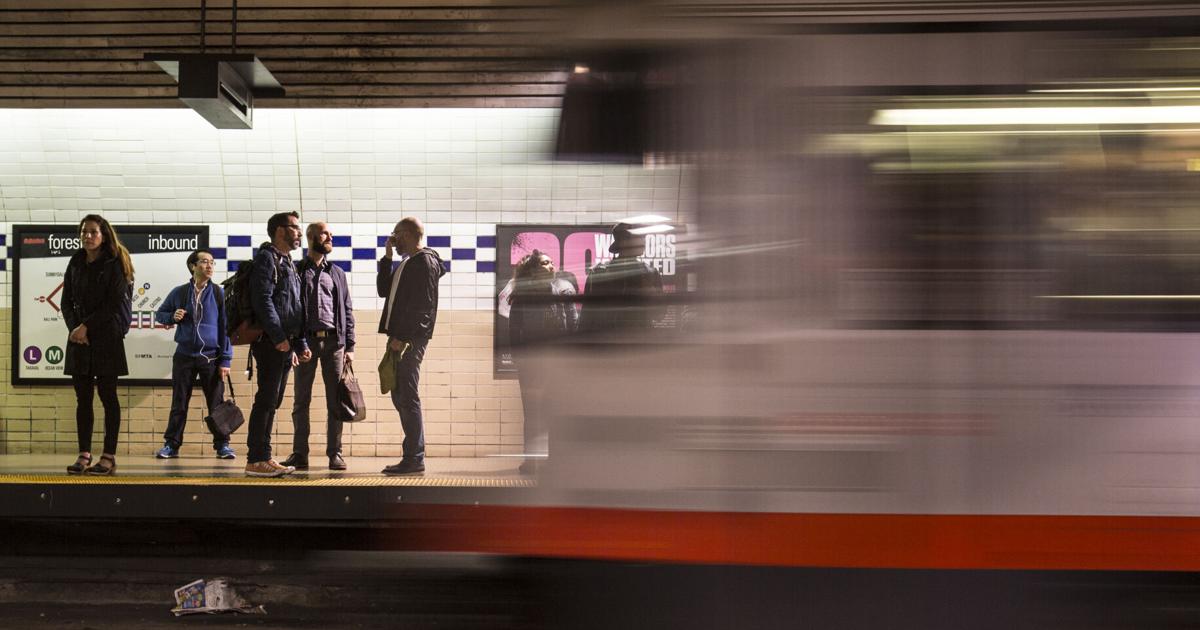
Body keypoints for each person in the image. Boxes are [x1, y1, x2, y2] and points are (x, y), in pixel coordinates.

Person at [62, 214, 134, 476]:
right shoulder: (76, 261)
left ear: (104, 235)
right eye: (84, 232)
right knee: (83, 399)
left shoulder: (114, 263)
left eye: (93, 232)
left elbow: (113, 303)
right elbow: (65, 300)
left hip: (107, 338)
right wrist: (75, 329)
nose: (87, 236)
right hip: (79, 339)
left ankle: (108, 456)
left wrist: (87, 327)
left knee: (108, 397)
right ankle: (83, 454)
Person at [281, 222, 356, 471]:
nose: (330, 237)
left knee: (335, 400)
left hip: (335, 343)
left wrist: (350, 346)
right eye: (325, 234)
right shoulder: (296, 270)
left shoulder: (337, 273)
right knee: (301, 400)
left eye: (331, 234)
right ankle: (299, 453)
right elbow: (290, 308)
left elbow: (346, 310)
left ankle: (335, 453)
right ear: (311, 237)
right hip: (306, 343)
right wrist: (293, 342)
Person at [377, 217, 445, 476]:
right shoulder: (407, 263)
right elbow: (383, 290)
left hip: (409, 340)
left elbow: (423, 306)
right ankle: (412, 455)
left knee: (407, 395)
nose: (393, 239)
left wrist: (403, 338)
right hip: (401, 338)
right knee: (401, 395)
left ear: (405, 234)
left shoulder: (424, 262)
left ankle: (414, 457)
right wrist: (387, 257)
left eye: (395, 235)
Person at [153, 248, 236, 460]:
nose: (209, 266)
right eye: (204, 262)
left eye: (212, 262)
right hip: (184, 356)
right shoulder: (179, 292)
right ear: (193, 266)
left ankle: (222, 446)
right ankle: (171, 444)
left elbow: (227, 328)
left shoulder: (219, 293)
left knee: (216, 404)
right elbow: (160, 315)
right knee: (179, 402)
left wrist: (225, 359)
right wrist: (172, 316)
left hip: (212, 357)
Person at [245, 211, 309, 477]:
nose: (300, 233)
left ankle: (264, 456)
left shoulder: (288, 262)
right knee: (266, 399)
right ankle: (256, 458)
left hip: (285, 343)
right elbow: (263, 301)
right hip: (271, 342)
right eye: (295, 228)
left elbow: (295, 306)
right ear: (280, 231)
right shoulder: (266, 259)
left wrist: (300, 341)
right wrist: (279, 337)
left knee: (273, 400)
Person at [508, 250, 578, 474]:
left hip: (556, 363)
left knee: (555, 412)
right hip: (531, 364)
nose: (551, 266)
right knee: (532, 414)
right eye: (545, 263)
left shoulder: (565, 289)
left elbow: (573, 326)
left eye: (551, 263)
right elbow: (514, 331)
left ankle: (556, 460)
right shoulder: (523, 295)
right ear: (533, 270)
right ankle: (531, 462)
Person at [579, 222, 665, 334]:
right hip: (615, 340)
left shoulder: (651, 273)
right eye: (639, 237)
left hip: (632, 341)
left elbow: (659, 315)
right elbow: (587, 315)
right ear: (625, 242)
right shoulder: (598, 272)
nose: (643, 242)